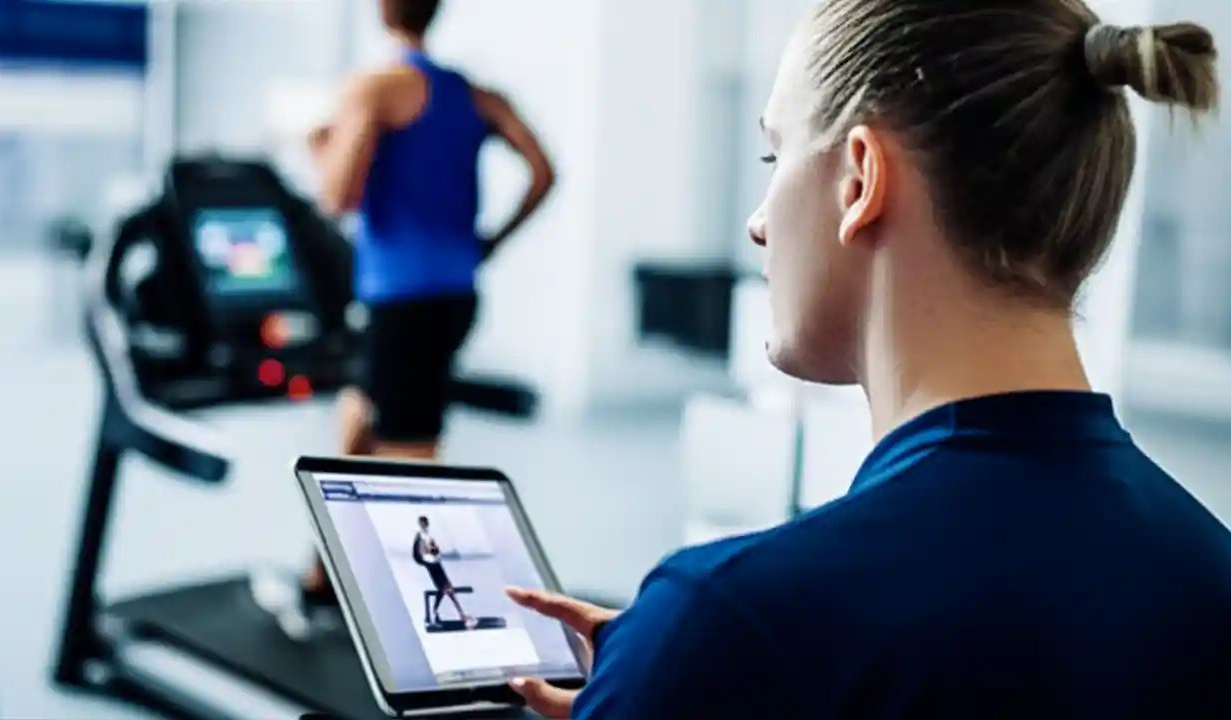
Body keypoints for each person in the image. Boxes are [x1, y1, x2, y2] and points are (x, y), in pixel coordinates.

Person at [505, 2, 1231, 718]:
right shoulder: (1211, 576)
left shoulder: (734, 621)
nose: (759, 223)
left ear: (859, 179)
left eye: (775, 154)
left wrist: (677, 667)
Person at [298, 0, 555, 606]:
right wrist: (488, 240)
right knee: (358, 415)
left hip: (402, 304)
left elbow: (337, 195)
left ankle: (432, 620)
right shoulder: (476, 96)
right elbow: (544, 172)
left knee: (412, 465)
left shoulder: (375, 86)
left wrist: (318, 147)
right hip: (453, 295)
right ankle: (324, 574)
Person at [413, 516, 474, 626]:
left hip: (435, 562)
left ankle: (459, 613)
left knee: (447, 587)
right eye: (423, 524)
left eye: (426, 524)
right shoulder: (420, 536)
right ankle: (434, 613)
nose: (425, 526)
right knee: (444, 587)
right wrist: (429, 553)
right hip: (431, 563)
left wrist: (434, 551)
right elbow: (421, 553)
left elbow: (434, 549)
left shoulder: (427, 535)